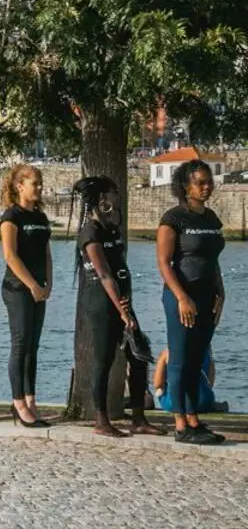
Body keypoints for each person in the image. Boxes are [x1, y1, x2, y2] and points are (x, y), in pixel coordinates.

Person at [73, 176, 165, 438]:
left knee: (138, 355)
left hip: (121, 300)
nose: (117, 196)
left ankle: (138, 417)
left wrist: (127, 304)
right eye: (114, 193)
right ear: (102, 198)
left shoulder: (111, 228)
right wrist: (123, 312)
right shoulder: (90, 232)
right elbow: (104, 275)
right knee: (104, 359)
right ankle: (100, 419)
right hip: (102, 303)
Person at [157, 160, 227, 445]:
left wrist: (221, 293)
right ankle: (180, 422)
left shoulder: (211, 219)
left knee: (197, 359)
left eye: (209, 181)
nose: (206, 186)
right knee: (180, 358)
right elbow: (164, 262)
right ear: (186, 186)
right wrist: (182, 297)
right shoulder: (173, 218)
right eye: (200, 182)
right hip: (181, 297)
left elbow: (213, 261)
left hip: (207, 298)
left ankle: (194, 419)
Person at [0, 164, 52, 428]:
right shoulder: (12, 216)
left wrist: (47, 284)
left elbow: (45, 253)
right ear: (20, 186)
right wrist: (31, 284)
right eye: (35, 183)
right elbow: (10, 255)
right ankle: (18, 402)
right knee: (20, 343)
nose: (40, 188)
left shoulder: (41, 218)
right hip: (18, 288)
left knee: (33, 345)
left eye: (41, 183)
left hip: (39, 287)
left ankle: (31, 399)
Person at [152, 349, 224, 413]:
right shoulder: (206, 351)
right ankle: (216, 405)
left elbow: (157, 384)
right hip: (203, 403)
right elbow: (210, 383)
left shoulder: (167, 352)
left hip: (172, 404)